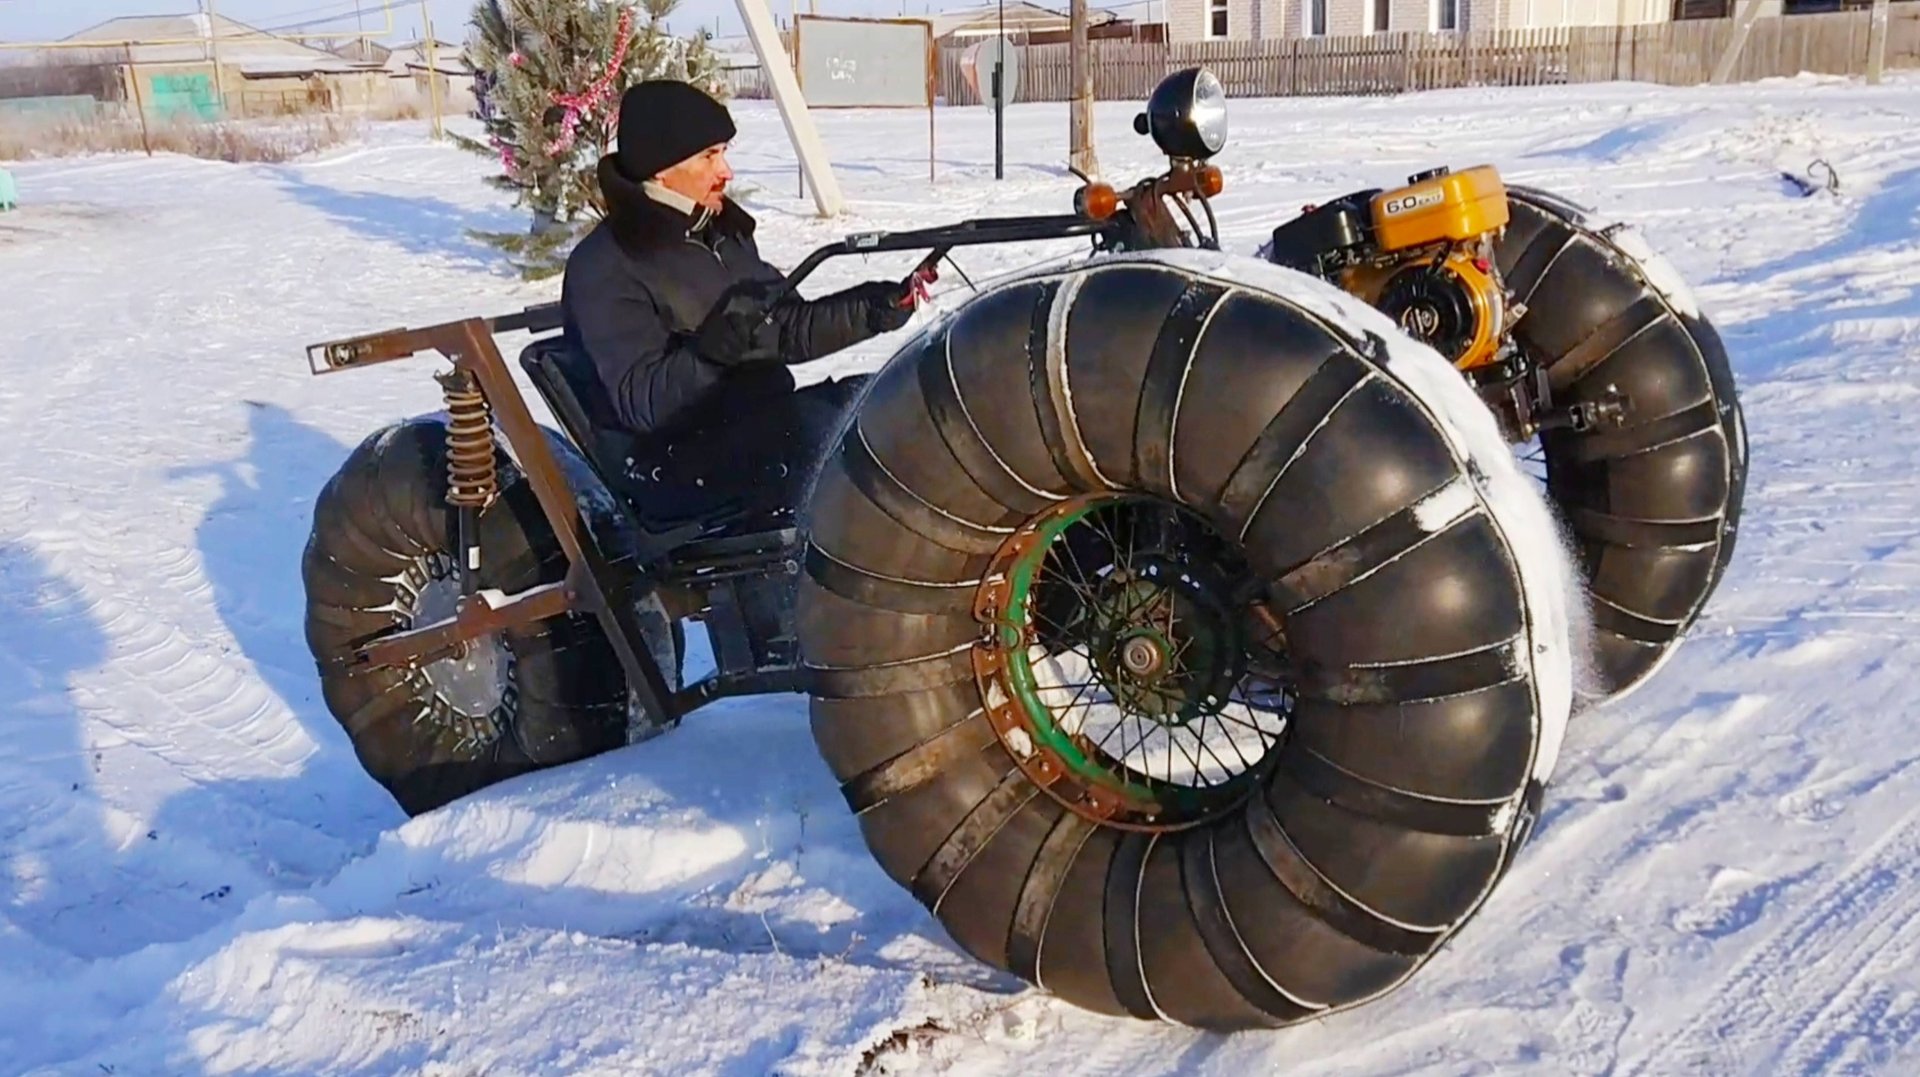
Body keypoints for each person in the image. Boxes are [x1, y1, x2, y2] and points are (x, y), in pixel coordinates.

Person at [560, 79, 929, 532]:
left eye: (723, 152)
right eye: (709, 156)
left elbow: (788, 328)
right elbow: (642, 402)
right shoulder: (608, 263)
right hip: (678, 461)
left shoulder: (720, 234)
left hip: (763, 423)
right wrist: (710, 355)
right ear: (662, 168)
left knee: (905, 401)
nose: (726, 171)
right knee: (874, 441)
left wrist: (878, 306)